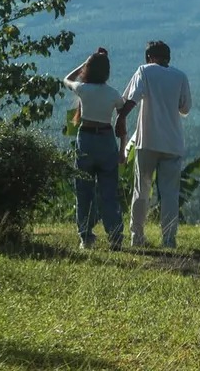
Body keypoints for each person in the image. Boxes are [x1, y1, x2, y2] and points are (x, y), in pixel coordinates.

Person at [122, 40, 192, 249]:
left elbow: (130, 99)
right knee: (170, 194)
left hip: (148, 141)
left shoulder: (144, 71)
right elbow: (185, 108)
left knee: (141, 190)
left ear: (149, 57)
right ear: (168, 57)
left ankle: (137, 236)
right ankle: (169, 239)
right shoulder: (180, 76)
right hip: (172, 143)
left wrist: (120, 120)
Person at [64, 47, 130, 250]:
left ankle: (85, 236)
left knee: (83, 191)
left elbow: (66, 79)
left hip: (86, 139)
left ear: (88, 70)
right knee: (109, 192)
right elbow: (121, 123)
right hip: (106, 139)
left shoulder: (83, 89)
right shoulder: (113, 94)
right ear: (107, 72)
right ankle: (115, 236)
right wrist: (121, 150)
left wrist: (84, 63)